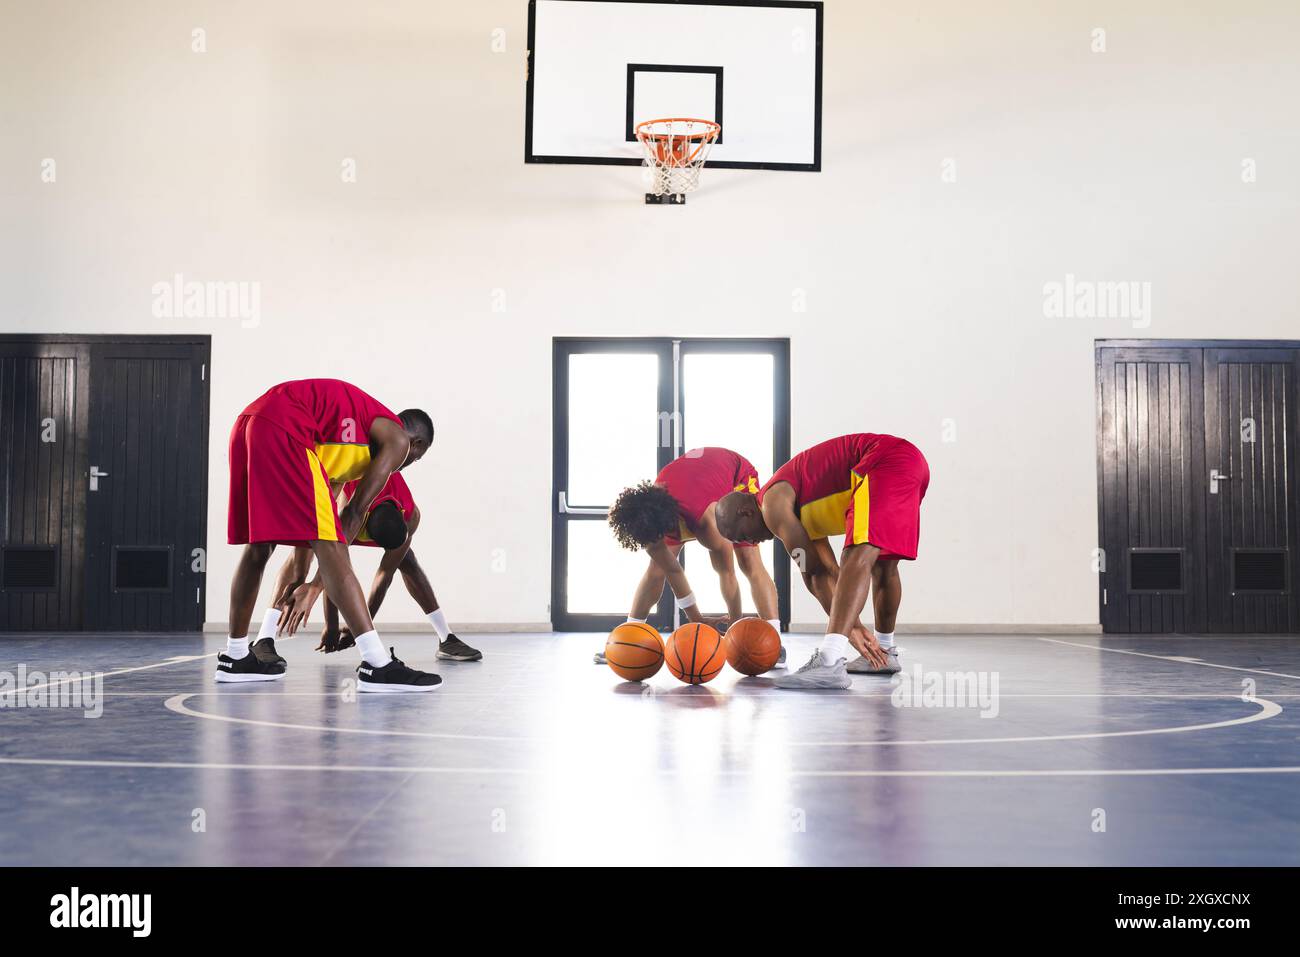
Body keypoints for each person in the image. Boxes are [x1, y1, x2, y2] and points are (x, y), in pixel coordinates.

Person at [220, 377, 441, 692]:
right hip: (283, 425)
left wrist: (308, 580)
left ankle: (236, 657)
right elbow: (350, 517)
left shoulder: (334, 450)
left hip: (248, 423)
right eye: (415, 459)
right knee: (332, 546)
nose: (405, 465)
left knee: (260, 545)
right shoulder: (397, 439)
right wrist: (313, 588)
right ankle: (377, 664)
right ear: (416, 444)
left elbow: (319, 526)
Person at [715, 433, 930, 689]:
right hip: (909, 463)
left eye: (742, 535)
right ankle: (884, 654)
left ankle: (829, 661)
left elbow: (812, 572)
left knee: (857, 554)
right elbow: (827, 572)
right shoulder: (797, 506)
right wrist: (853, 626)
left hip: (883, 461)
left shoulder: (772, 504)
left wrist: (851, 630)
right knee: (883, 566)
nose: (749, 542)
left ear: (745, 511)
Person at [266, 472, 482, 661]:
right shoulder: (349, 511)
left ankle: (447, 638)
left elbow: (384, 576)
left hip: (385, 514)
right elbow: (331, 567)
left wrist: (357, 628)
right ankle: (264, 639)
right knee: (304, 555)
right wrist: (331, 625)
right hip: (345, 502)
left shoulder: (411, 515)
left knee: (408, 562)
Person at [602, 447, 783, 667]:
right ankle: (627, 637)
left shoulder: (708, 522)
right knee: (656, 569)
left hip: (736, 475)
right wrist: (696, 618)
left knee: (748, 560)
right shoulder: (648, 521)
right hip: (692, 483)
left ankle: (776, 644)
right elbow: (673, 570)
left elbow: (727, 573)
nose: (655, 544)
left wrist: (735, 631)